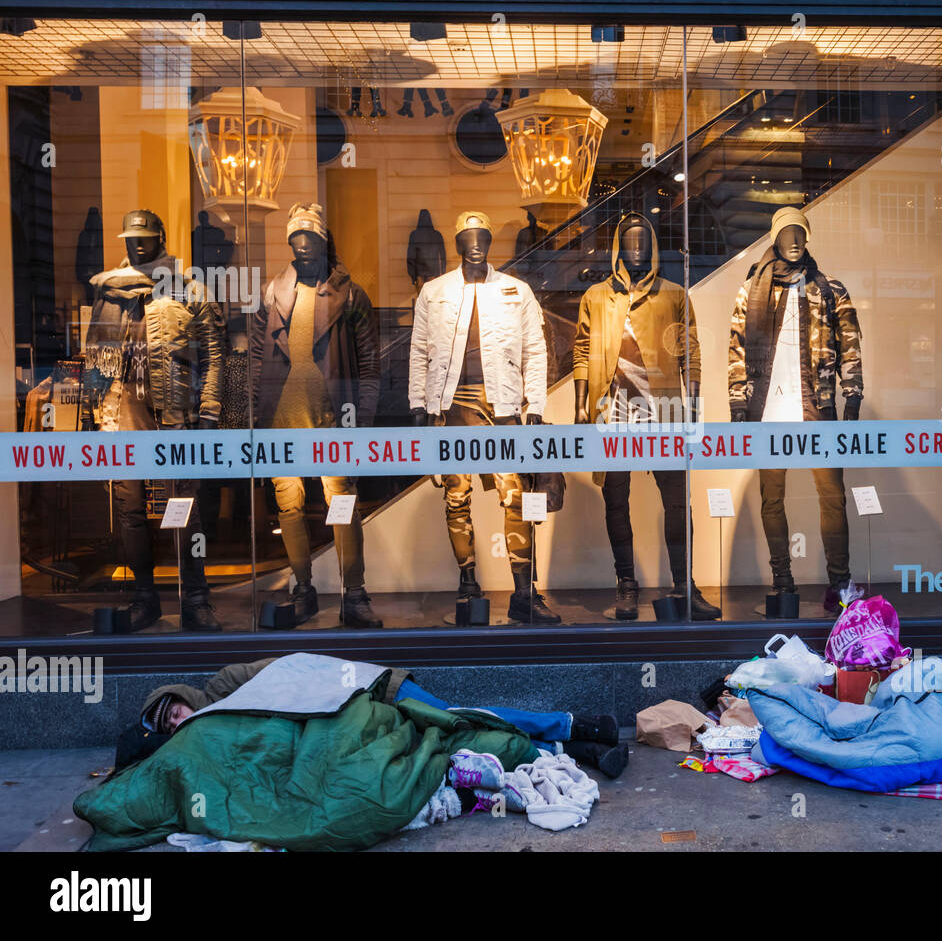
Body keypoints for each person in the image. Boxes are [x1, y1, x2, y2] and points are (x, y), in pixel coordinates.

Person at [409, 210, 559, 624]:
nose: (476, 243)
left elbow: (535, 348)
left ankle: (524, 592)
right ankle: (468, 585)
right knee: (456, 495)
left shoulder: (516, 290)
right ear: (456, 243)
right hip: (452, 405)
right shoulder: (434, 291)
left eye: (483, 236)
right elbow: (419, 350)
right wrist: (418, 405)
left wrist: (536, 405)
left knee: (514, 494)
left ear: (491, 242)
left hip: (503, 406)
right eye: (468, 237)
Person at [81, 209, 225, 632]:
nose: (136, 244)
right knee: (130, 510)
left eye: (144, 237)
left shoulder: (189, 289)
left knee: (184, 507)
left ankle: (196, 598)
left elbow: (215, 355)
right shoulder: (109, 292)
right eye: (130, 237)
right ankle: (144, 597)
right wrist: (93, 413)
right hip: (123, 410)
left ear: (161, 236)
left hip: (175, 412)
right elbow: (95, 358)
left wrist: (211, 411)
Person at [573, 211, 721, 621]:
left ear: (653, 248)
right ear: (619, 247)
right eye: (629, 240)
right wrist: (580, 403)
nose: (636, 248)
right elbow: (582, 351)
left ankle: (684, 585)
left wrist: (691, 406)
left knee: (677, 501)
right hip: (612, 410)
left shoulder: (674, 294)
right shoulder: (597, 297)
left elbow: (690, 352)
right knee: (615, 499)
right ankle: (626, 585)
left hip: (664, 412)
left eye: (643, 241)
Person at [136, 657, 629, 778]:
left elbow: (299, 672)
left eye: (176, 710)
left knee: (457, 720)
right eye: (171, 726)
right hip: (361, 719)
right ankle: (574, 751)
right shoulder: (217, 733)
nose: (180, 721)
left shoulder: (224, 688)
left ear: (184, 696)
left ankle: (572, 724)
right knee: (460, 741)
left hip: (373, 692)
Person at [249, 203, 383, 628]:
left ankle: (354, 593)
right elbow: (255, 357)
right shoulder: (273, 292)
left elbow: (369, 364)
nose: (303, 252)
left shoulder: (351, 293)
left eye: (311, 245)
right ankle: (302, 586)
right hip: (282, 414)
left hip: (333, 415)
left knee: (341, 501)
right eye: (296, 246)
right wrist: (253, 416)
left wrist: (362, 418)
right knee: (288, 503)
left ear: (324, 243)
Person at [728, 206, 863, 612]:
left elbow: (850, 344)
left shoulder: (830, 289)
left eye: (800, 233)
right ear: (775, 238)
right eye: (786, 233)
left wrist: (852, 394)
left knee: (832, 495)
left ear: (807, 239)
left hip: (817, 406)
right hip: (768, 409)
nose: (794, 241)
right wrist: (738, 400)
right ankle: (782, 580)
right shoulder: (752, 289)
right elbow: (736, 345)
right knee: (772, 497)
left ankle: (840, 584)